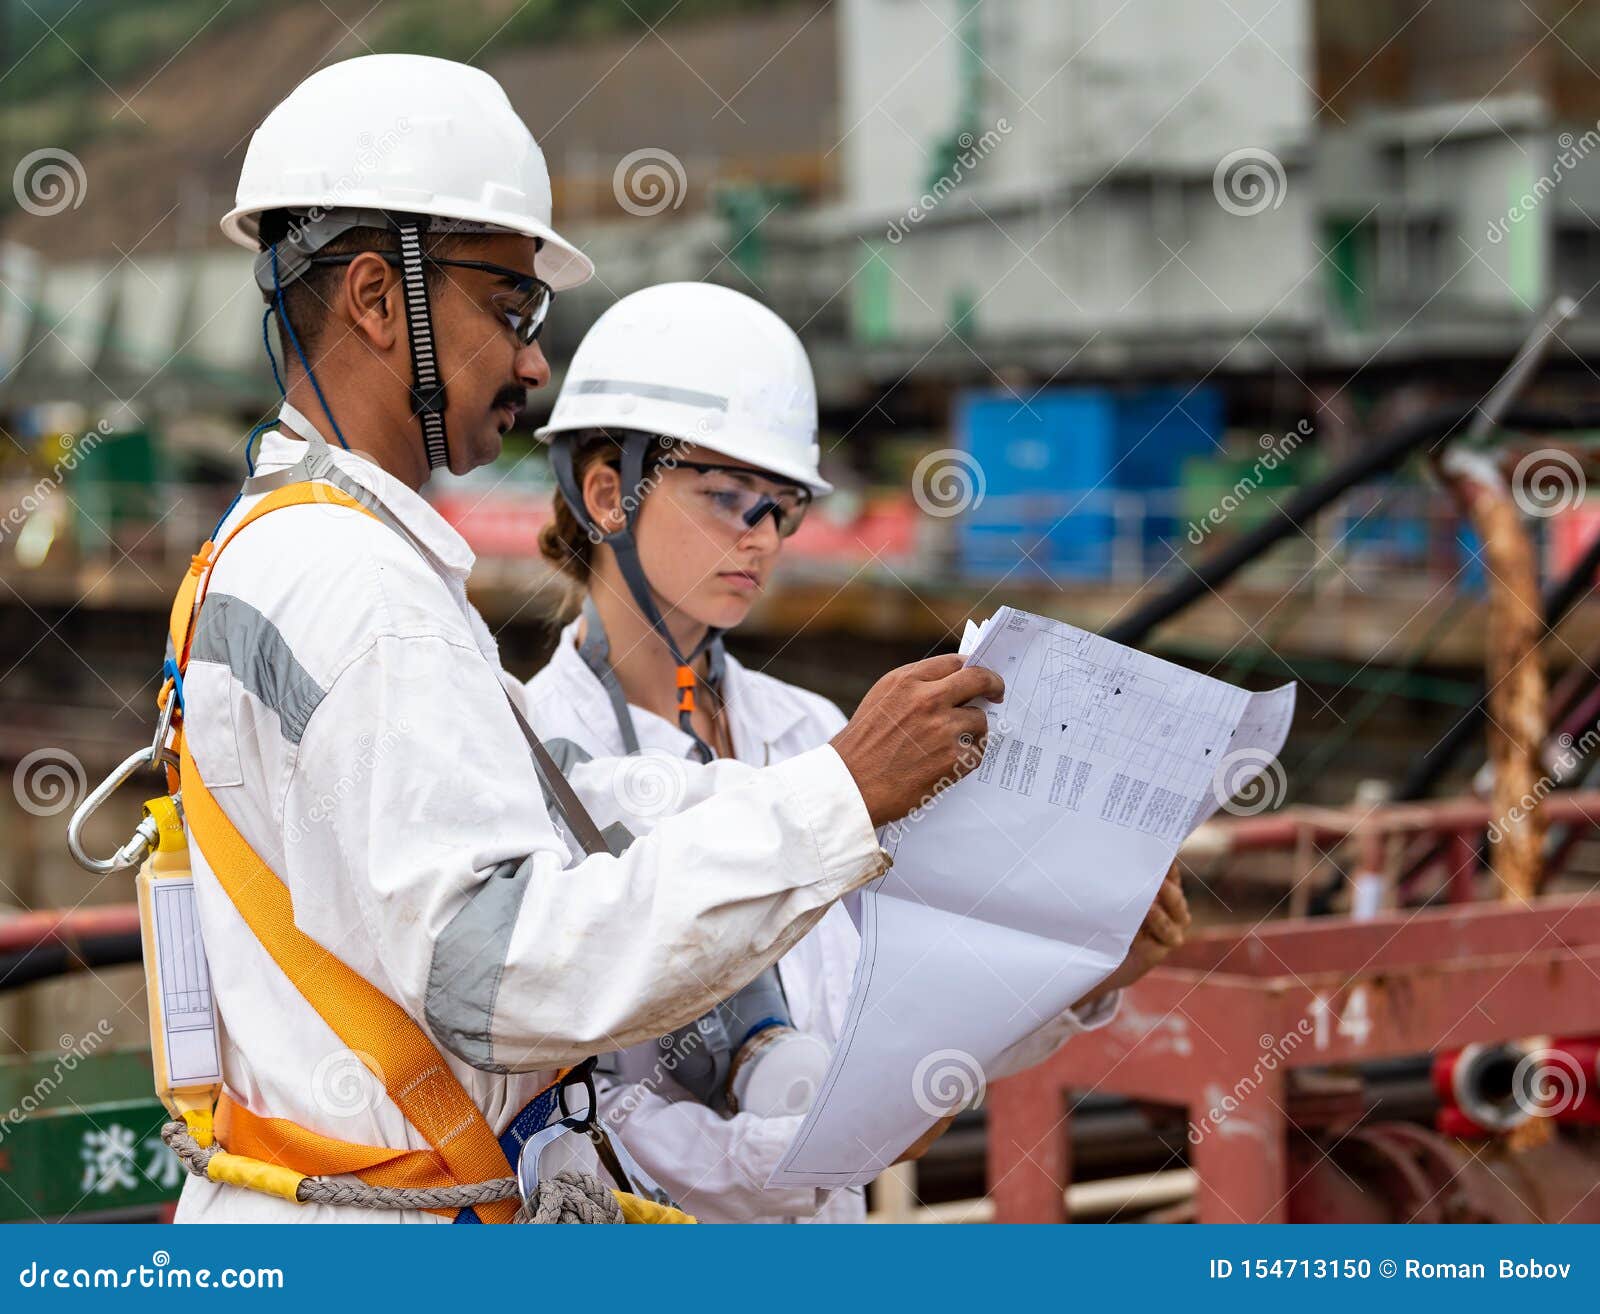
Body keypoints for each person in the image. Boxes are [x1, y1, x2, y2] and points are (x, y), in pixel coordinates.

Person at [164, 54, 1001, 1223]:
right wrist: (837, 803)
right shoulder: (363, 591)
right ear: (371, 295)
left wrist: (824, 790)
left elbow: (573, 814)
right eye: (506, 309)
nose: (530, 361)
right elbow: (495, 971)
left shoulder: (280, 553)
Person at [524, 282, 1192, 1222]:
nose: (760, 538)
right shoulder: (534, 761)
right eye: (727, 499)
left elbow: (899, 1028)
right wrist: (831, 1139)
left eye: (781, 509)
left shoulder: (812, 731)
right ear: (607, 492)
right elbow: (601, 1115)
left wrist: (1084, 973)